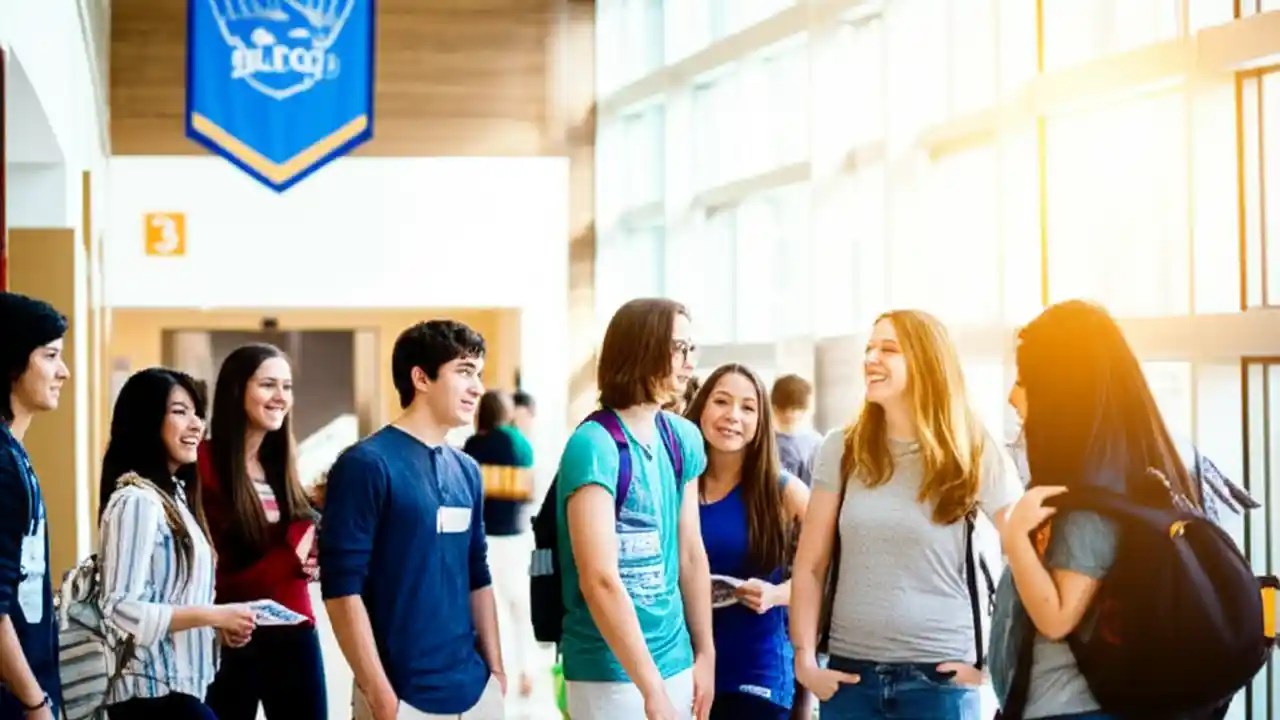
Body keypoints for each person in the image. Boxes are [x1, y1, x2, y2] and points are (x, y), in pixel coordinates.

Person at [990, 300, 1234, 720]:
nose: (1013, 396)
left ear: (1061, 392)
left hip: (1073, 711)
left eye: (1025, 381)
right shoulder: (1129, 473)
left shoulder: (1093, 496)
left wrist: (1014, 538)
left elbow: (1056, 617)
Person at [789, 309, 1022, 719]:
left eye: (889, 349)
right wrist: (806, 661)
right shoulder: (841, 449)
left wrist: (992, 664)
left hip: (940, 685)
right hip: (849, 680)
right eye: (869, 348)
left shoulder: (972, 447)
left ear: (927, 363)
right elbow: (810, 565)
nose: (871, 358)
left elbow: (1022, 552)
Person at [321, 320, 505, 720]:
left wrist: (496, 674)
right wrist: (380, 695)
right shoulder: (365, 465)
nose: (477, 387)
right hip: (401, 697)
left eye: (479, 374)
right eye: (464, 372)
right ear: (421, 378)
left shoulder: (468, 470)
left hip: (475, 692)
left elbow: (478, 573)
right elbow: (340, 589)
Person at [556, 297, 713, 720]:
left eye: (690, 349)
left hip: (677, 660)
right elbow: (599, 579)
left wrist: (706, 655)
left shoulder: (683, 438)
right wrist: (650, 687)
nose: (688, 362)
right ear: (642, 349)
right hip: (609, 670)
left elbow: (691, 553)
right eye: (678, 348)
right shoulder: (592, 445)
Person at [97, 368, 258, 719]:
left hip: (181, 690)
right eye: (180, 411)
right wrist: (214, 614)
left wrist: (216, 628)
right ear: (147, 419)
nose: (197, 424)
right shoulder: (137, 500)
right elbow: (120, 609)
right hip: (151, 694)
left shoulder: (176, 498)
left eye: (197, 413)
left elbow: (169, 600)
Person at [200, 344, 325, 720]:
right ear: (238, 390)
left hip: (294, 627)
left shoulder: (282, 464)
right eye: (268, 385)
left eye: (286, 387)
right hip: (231, 632)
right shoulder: (202, 462)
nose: (280, 397)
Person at [686, 364, 810, 720]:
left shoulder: (783, 490)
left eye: (747, 407)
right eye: (721, 401)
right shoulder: (678, 484)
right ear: (702, 408)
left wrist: (776, 594)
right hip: (682, 667)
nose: (732, 416)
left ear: (761, 421)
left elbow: (827, 571)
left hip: (757, 673)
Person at [0, 293, 68, 720]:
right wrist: (35, 703)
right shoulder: (3, 464)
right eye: (50, 356)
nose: (63, 371)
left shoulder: (14, 455)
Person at [463, 390, 537, 698]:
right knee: (520, 606)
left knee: (487, 607)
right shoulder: (521, 443)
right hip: (518, 535)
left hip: (484, 536)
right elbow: (530, 489)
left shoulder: (475, 445)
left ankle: (493, 669)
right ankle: (527, 671)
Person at [770, 374, 822, 487]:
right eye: (785, 409)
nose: (790, 414)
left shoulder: (815, 443)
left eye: (794, 409)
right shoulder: (765, 441)